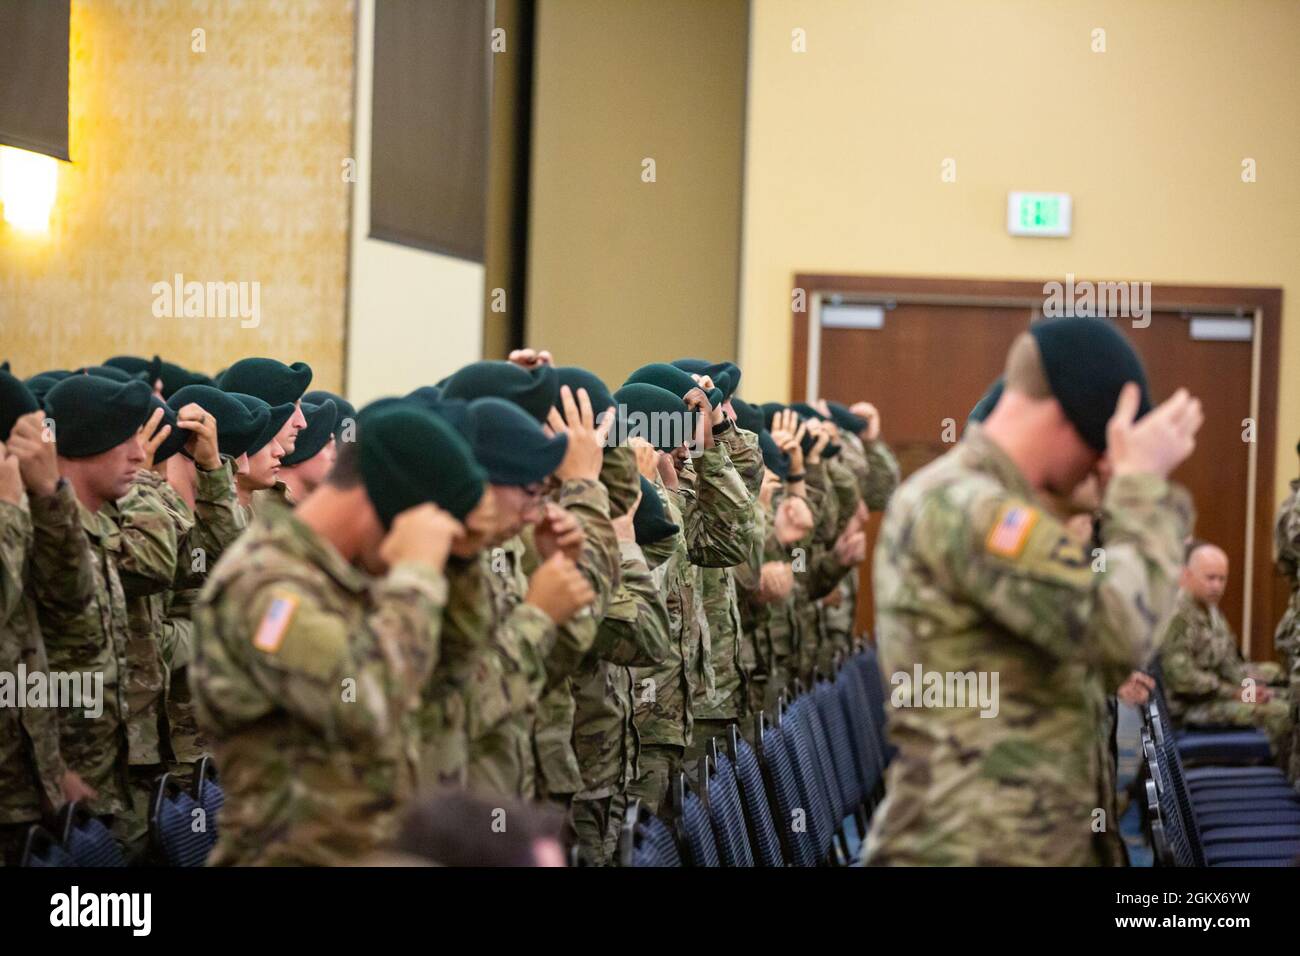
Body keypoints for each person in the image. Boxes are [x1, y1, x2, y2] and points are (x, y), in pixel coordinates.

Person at [865, 317, 1201, 866]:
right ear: (1064, 420)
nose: (1099, 470)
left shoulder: (984, 501)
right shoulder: (971, 508)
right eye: (1097, 451)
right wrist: (1141, 489)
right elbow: (1117, 630)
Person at [191, 401, 484, 865]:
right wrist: (415, 577)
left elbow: (447, 676)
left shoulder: (340, 576)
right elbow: (364, 701)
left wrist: (463, 566)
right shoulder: (266, 588)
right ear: (380, 502)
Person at [1157, 540, 1292, 772]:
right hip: (1190, 708)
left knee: (1287, 698)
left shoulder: (1210, 610)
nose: (1217, 586)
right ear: (1187, 575)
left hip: (1215, 696)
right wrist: (1236, 693)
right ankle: (1274, 782)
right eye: (1210, 578)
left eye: (1222, 579)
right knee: (1281, 714)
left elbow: (1231, 665)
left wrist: (1250, 691)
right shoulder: (1177, 616)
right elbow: (1183, 679)